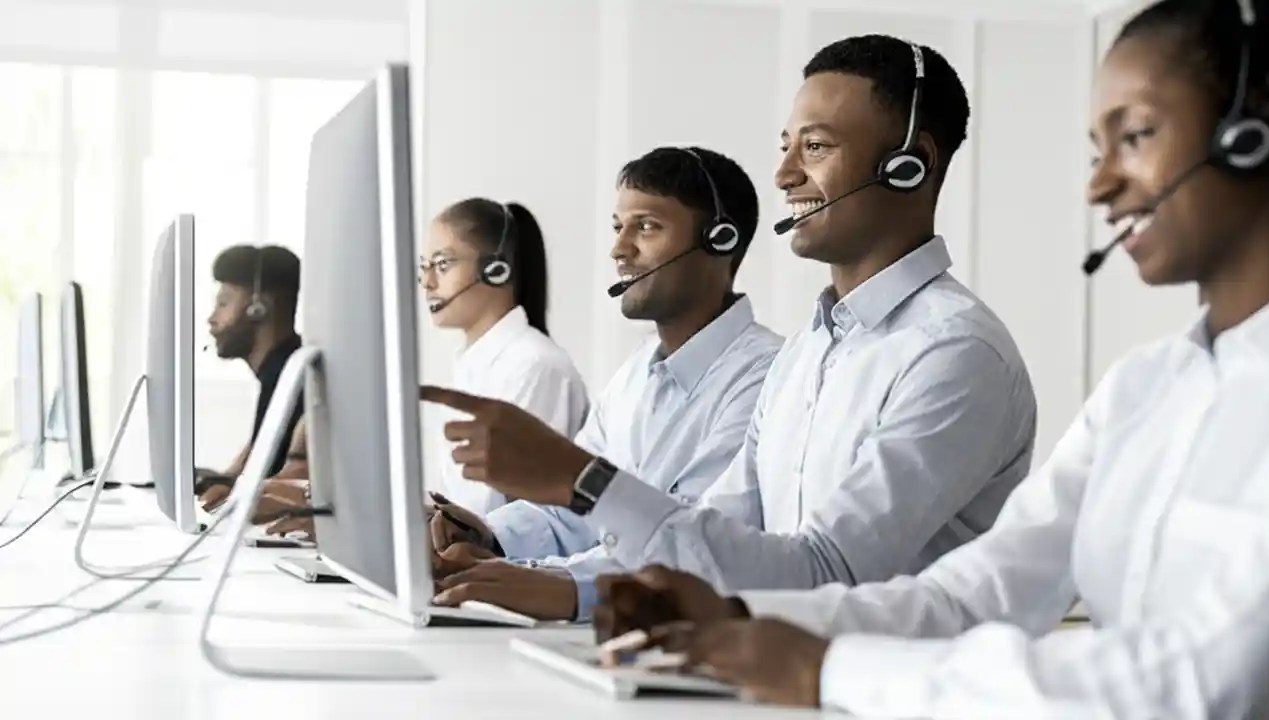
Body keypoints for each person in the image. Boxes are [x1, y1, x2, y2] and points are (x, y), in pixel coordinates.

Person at [591, 0, 1269, 715]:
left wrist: (829, 669)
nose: (1098, 186)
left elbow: (1199, 681)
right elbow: (972, 594)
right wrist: (738, 626)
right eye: (1094, 153)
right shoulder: (1144, 388)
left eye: (1134, 136)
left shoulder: (958, 350)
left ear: (1249, 136)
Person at [423, 35, 1037, 621]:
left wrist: (582, 484)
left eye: (816, 147)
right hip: (778, 676)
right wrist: (563, 586)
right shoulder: (807, 353)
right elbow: (716, 545)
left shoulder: (956, 355)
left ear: (910, 164)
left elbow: (826, 573)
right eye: (786, 146)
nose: (784, 175)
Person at [425, 146, 783, 618]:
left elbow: (691, 543)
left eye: (647, 227)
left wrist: (553, 584)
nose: (619, 249)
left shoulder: (763, 377)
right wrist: (486, 535)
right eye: (619, 227)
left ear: (720, 239)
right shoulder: (634, 375)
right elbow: (573, 505)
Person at [420, 199, 590, 516]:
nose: (428, 283)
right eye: (424, 267)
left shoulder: (536, 367)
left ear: (496, 271)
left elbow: (514, 513)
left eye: (443, 265)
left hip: (504, 558)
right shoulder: (471, 365)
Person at [197, 244, 304, 511]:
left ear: (259, 307)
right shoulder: (280, 372)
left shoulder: (291, 379)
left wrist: (225, 488)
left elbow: (268, 482)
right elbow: (249, 468)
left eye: (223, 303)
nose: (212, 318)